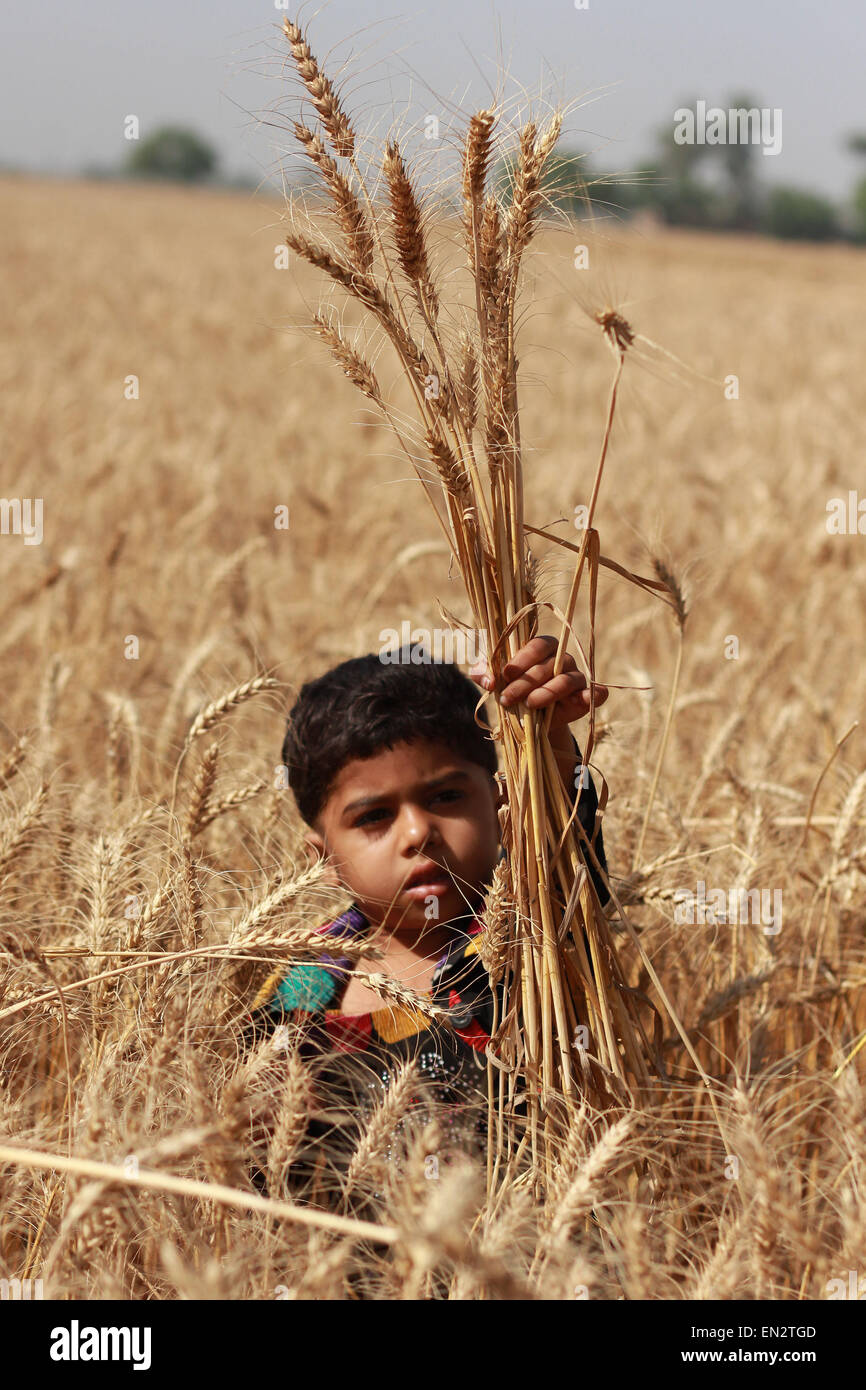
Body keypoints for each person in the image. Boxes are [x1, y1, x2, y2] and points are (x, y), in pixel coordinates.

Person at [243, 634, 610, 1186]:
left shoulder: (526, 941)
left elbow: (564, 860)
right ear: (323, 860)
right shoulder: (298, 992)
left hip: (528, 1261)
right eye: (374, 817)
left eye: (445, 798)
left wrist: (550, 739)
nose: (418, 833)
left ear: (502, 805)